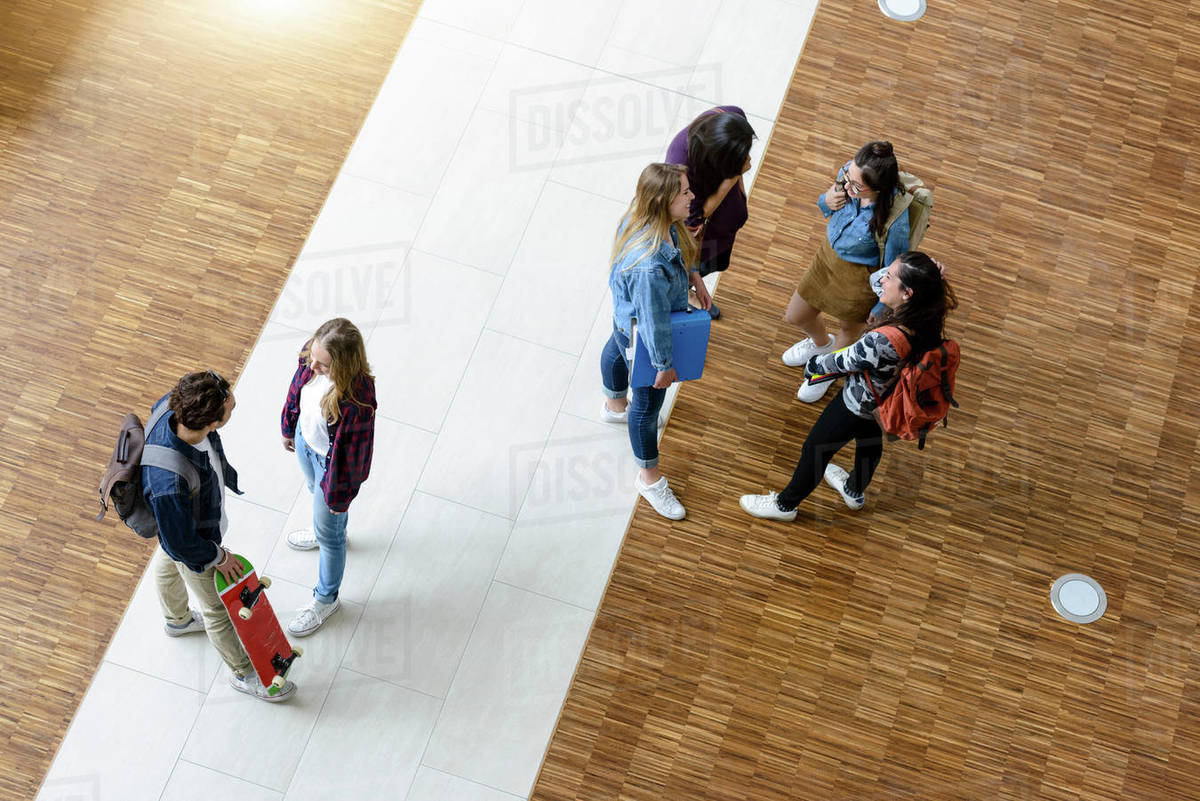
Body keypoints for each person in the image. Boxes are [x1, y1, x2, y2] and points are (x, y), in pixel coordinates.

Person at [740, 251, 956, 520]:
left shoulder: (883, 341)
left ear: (907, 294)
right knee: (869, 444)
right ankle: (854, 491)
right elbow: (881, 284)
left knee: (815, 449)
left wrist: (813, 366)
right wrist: (928, 276)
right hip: (886, 403)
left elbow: (839, 362)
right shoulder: (928, 315)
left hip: (857, 403)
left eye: (890, 276)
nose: (882, 279)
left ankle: (785, 505)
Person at [146, 370, 296, 702]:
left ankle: (177, 620)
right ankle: (244, 674)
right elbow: (181, 544)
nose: (232, 401)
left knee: (167, 554)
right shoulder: (168, 485)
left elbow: (172, 541)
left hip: (184, 526)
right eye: (228, 405)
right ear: (212, 423)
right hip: (197, 543)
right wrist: (217, 556)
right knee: (217, 609)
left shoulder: (174, 408)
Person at [600, 163, 711, 520]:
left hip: (625, 323)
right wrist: (663, 366)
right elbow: (654, 323)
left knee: (616, 348)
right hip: (644, 331)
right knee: (647, 405)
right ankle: (649, 478)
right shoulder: (648, 266)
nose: (692, 196)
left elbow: (678, 250)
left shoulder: (645, 219)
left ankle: (613, 404)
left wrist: (694, 276)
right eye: (685, 192)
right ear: (664, 199)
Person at [781, 141, 911, 403]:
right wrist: (827, 200)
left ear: (878, 189)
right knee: (796, 315)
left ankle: (823, 375)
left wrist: (879, 309)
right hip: (826, 259)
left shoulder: (894, 221)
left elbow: (893, 270)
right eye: (848, 178)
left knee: (849, 332)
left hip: (859, 280)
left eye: (856, 186)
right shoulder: (849, 176)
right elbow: (825, 205)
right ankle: (821, 344)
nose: (848, 186)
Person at [280, 317, 376, 636]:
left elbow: (353, 462)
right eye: (313, 359)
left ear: (344, 364)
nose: (313, 366)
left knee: (330, 531)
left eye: (322, 364)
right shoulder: (312, 357)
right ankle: (328, 528)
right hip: (308, 445)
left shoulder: (357, 400)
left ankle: (326, 598)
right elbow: (297, 389)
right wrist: (289, 426)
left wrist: (338, 500)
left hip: (331, 465)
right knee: (313, 491)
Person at [664, 105, 756, 320]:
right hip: (703, 240)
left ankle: (693, 290)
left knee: (718, 263)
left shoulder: (731, 117)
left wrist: (739, 194)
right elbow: (695, 218)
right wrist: (733, 176)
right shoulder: (680, 167)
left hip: (724, 233)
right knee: (690, 271)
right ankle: (684, 295)